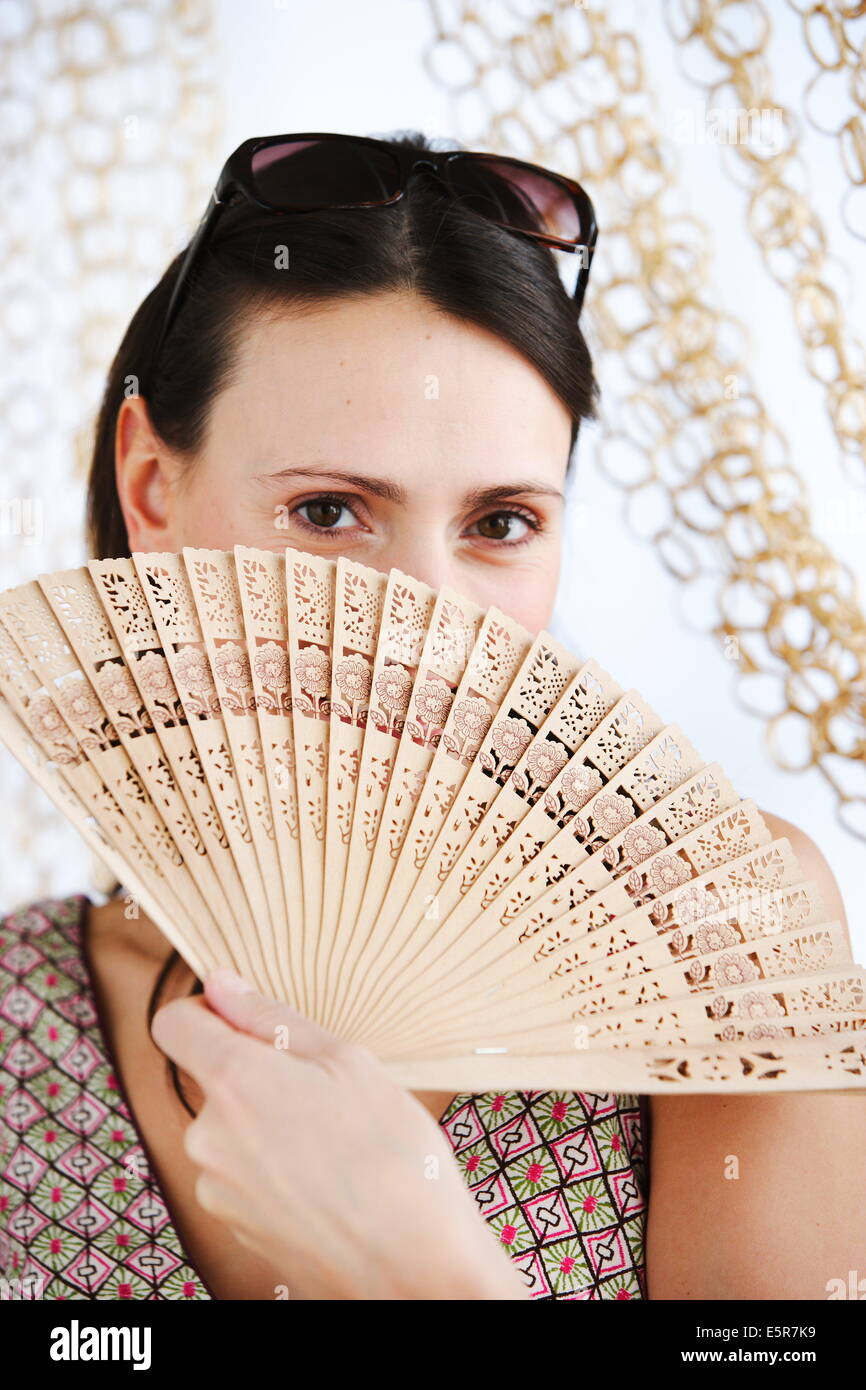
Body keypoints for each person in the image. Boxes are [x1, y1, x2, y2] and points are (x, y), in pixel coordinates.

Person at [1, 130, 864, 1302]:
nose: (425, 621)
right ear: (151, 486)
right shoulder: (19, 1021)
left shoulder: (717, 931)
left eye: (500, 523)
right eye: (326, 511)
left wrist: (424, 1279)